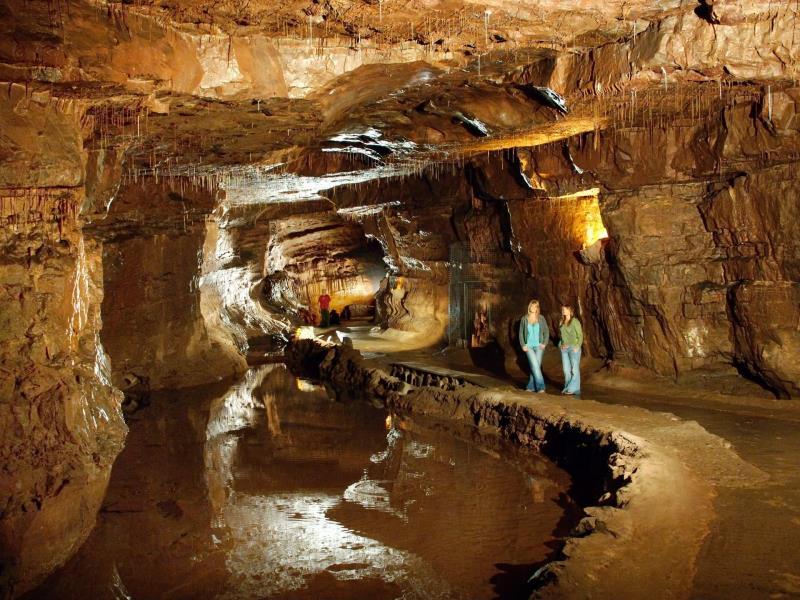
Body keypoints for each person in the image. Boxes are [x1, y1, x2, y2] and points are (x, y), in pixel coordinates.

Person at [518, 300, 549, 393]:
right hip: (529, 346)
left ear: (537, 308)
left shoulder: (541, 318)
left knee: (535, 366)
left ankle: (531, 386)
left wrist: (544, 343)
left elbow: (546, 331)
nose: (533, 307)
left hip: (539, 346)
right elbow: (520, 333)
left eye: (535, 306)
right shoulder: (524, 319)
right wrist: (523, 344)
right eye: (532, 305)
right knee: (535, 365)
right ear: (529, 306)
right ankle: (541, 387)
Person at [559, 304, 583, 395]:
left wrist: (577, 346)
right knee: (566, 370)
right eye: (562, 309)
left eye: (565, 309)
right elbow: (561, 337)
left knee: (574, 369)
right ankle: (568, 387)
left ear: (570, 310)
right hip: (564, 349)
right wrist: (560, 345)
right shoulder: (561, 322)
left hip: (573, 348)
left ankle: (573, 388)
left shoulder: (575, 321)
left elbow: (580, 335)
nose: (563, 310)